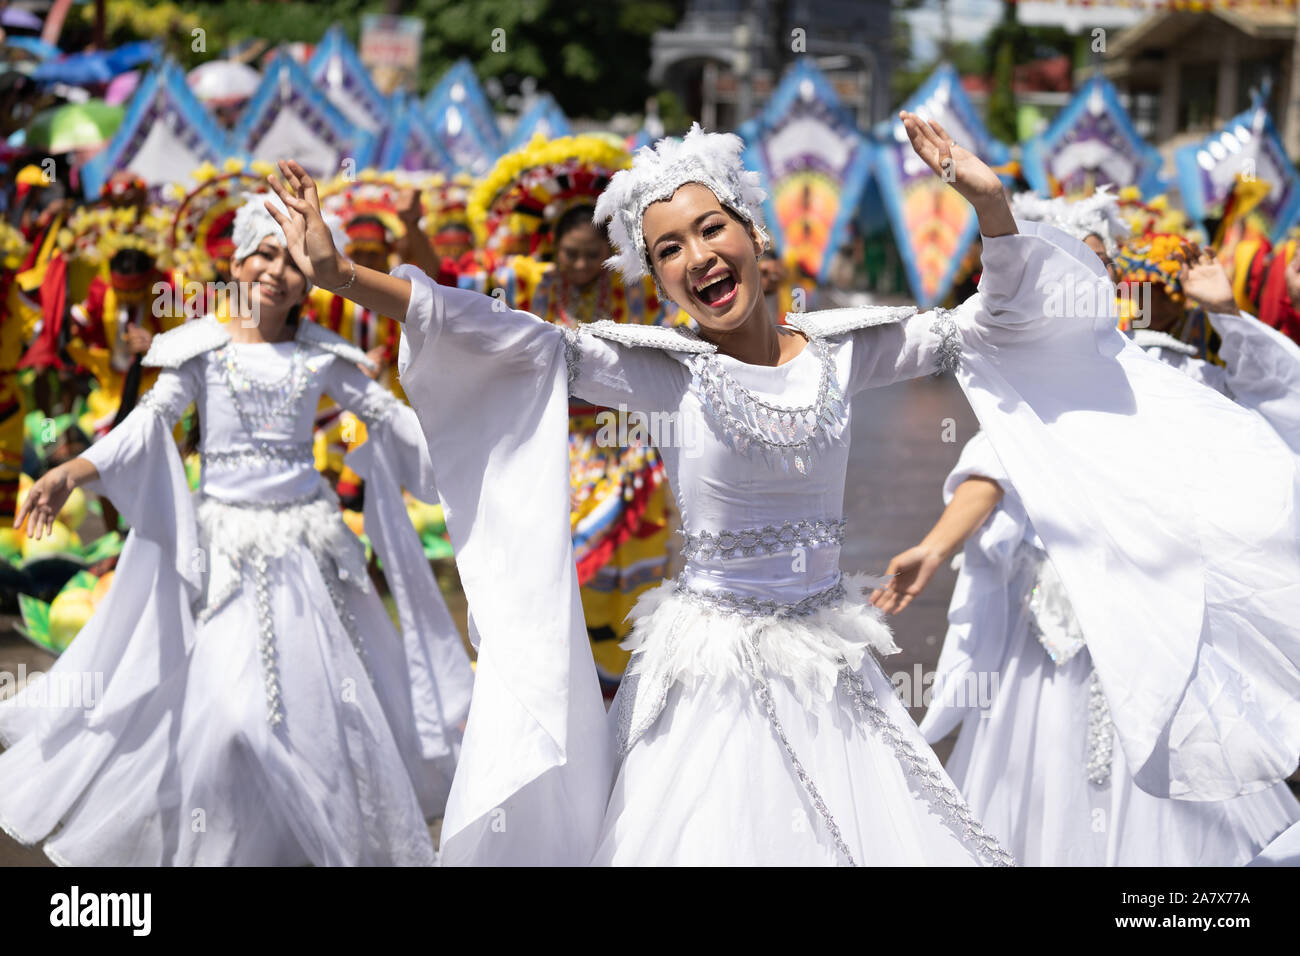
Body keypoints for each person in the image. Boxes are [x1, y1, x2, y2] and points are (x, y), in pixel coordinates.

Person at [261, 112, 1300, 866]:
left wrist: (987, 204)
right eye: (668, 250)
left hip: (831, 669)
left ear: (754, 238)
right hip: (704, 680)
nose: (696, 256)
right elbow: (519, 340)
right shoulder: (662, 368)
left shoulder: (846, 350)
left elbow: (996, 326)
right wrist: (346, 277)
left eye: (709, 230)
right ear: (657, 281)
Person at [1, 193, 474, 866]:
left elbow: (391, 419)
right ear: (237, 259)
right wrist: (71, 471)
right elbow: (146, 425)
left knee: (319, 725)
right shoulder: (196, 347)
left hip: (308, 558)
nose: (277, 272)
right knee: (227, 724)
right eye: (264, 253)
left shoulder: (324, 355)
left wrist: (473, 453)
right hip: (219, 556)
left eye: (293, 259)